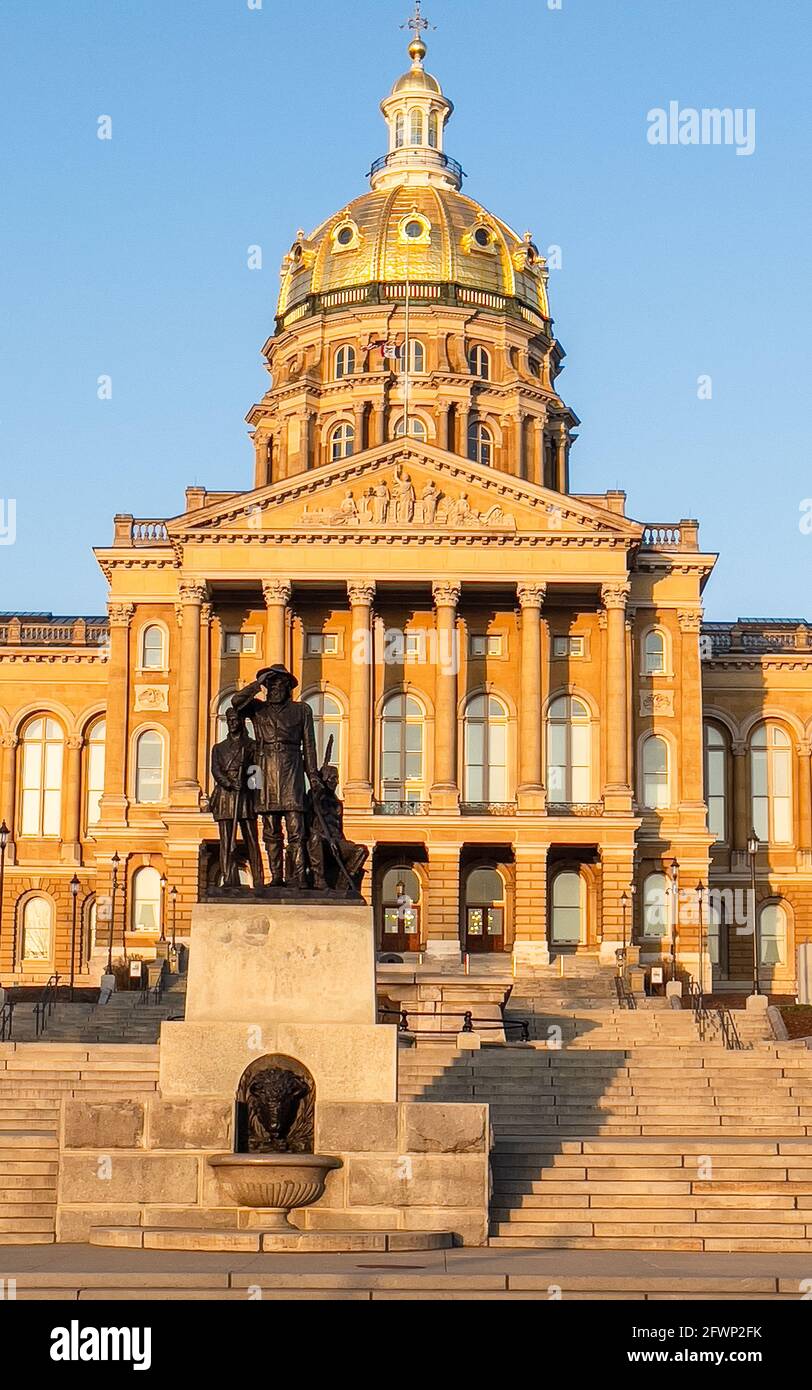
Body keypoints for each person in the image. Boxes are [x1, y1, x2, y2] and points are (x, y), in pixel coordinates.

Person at [232, 664, 321, 889]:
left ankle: (300, 876)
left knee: (296, 829)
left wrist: (313, 777)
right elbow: (235, 702)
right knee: (271, 830)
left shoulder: (302, 710)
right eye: (271, 684)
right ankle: (277, 876)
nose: (275, 688)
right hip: (265, 768)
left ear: (288, 688)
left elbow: (309, 746)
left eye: (280, 684)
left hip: (291, 767)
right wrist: (258, 682)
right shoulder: (257, 709)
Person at [209, 707, 264, 888]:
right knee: (227, 840)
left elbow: (257, 772)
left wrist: (249, 785)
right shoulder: (219, 748)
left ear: (242, 722)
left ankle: (258, 879)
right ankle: (229, 879)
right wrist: (229, 783)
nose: (233, 723)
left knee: (251, 839)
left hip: (245, 796)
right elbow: (216, 770)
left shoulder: (251, 745)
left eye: (235, 720)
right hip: (226, 795)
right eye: (230, 720)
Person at [306, 764, 368, 893]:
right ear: (325, 780)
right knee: (315, 839)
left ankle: (342, 884)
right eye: (333, 778)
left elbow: (339, 828)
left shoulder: (337, 804)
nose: (336, 782)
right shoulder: (313, 798)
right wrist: (317, 791)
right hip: (319, 842)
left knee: (361, 850)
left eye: (337, 778)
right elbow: (307, 825)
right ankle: (319, 879)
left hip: (336, 841)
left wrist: (340, 842)